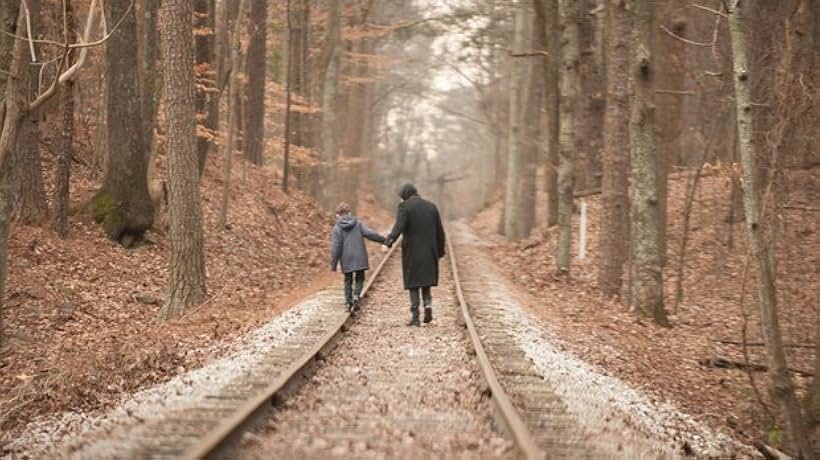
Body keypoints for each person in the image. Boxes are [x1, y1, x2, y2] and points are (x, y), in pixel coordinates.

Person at [384, 183, 446, 326]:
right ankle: (428, 305)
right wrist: (440, 251)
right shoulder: (432, 206)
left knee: (413, 284)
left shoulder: (405, 207)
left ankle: (415, 318)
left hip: (412, 252)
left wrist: (388, 242)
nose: (400, 200)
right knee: (425, 282)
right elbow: (440, 231)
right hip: (430, 251)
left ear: (405, 195)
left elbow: (398, 227)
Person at [330, 202, 386, 312]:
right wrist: (384, 240)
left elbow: (335, 247)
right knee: (360, 277)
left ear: (337, 215)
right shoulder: (358, 223)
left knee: (348, 280)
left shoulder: (337, 228)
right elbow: (370, 233)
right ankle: (356, 295)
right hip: (360, 256)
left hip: (346, 258)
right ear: (350, 213)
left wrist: (334, 264)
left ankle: (348, 302)